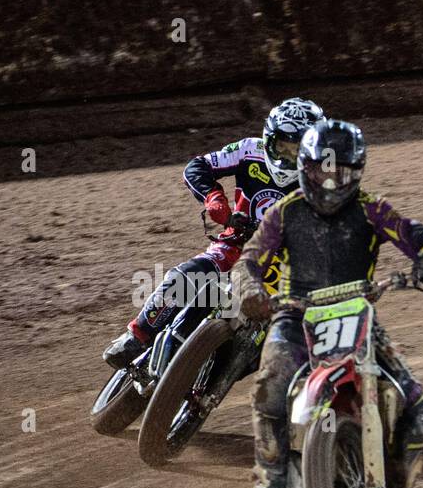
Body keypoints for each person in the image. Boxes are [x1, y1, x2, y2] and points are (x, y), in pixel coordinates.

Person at [230, 118, 423, 488]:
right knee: (271, 381)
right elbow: (249, 259)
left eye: (342, 172)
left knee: (419, 413)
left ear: (357, 171)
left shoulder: (371, 210)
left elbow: (415, 232)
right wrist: (250, 290)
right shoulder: (284, 212)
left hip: (358, 315)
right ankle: (270, 471)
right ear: (304, 167)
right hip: (295, 316)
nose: (331, 181)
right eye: (322, 171)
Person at [103, 98, 325, 368]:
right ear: (269, 138)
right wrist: (214, 199)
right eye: (283, 147)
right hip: (234, 245)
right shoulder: (248, 150)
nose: (289, 156)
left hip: (281, 273)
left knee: (281, 347)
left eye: (298, 151)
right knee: (187, 275)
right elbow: (197, 167)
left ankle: (210, 391)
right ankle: (137, 335)